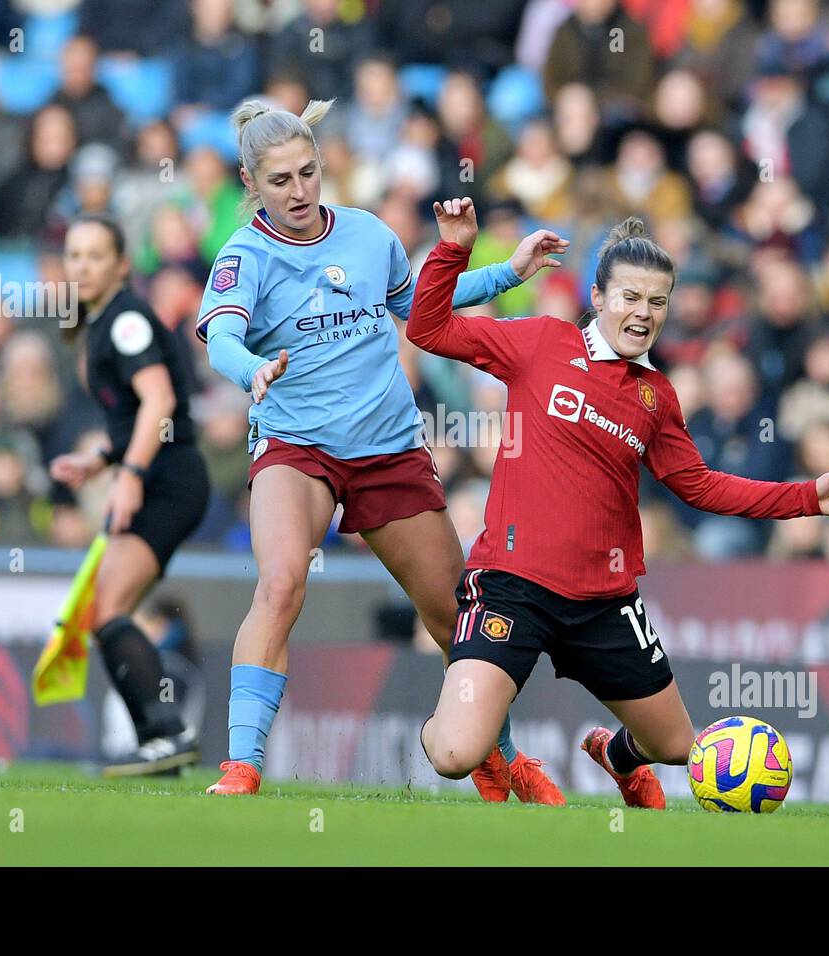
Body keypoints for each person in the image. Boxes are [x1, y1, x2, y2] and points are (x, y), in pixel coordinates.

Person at [410, 200, 829, 808]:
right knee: (454, 755)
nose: (643, 314)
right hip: (512, 587)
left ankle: (618, 755)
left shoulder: (656, 397)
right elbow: (427, 328)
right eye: (630, 297)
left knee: (682, 746)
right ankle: (477, 742)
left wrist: (808, 497)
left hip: (603, 603)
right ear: (598, 295)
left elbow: (702, 486)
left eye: (657, 302)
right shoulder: (541, 343)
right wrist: (454, 249)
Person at [200, 99, 570, 802]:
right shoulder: (245, 254)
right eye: (280, 181)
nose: (300, 190)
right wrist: (252, 370)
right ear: (252, 183)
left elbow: (424, 306)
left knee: (455, 613)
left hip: (386, 448)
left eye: (309, 172)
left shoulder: (369, 236)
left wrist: (510, 273)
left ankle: (500, 757)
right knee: (281, 584)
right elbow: (221, 336)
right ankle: (242, 766)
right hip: (296, 444)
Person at [51, 215, 212, 776]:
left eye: (96, 255)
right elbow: (132, 418)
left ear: (122, 264)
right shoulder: (102, 322)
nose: (83, 265)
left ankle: (167, 733)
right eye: (75, 255)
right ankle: (158, 743)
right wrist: (100, 460)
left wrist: (131, 475)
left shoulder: (124, 323)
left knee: (111, 608)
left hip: (170, 480)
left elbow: (160, 400)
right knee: (106, 610)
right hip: (160, 474)